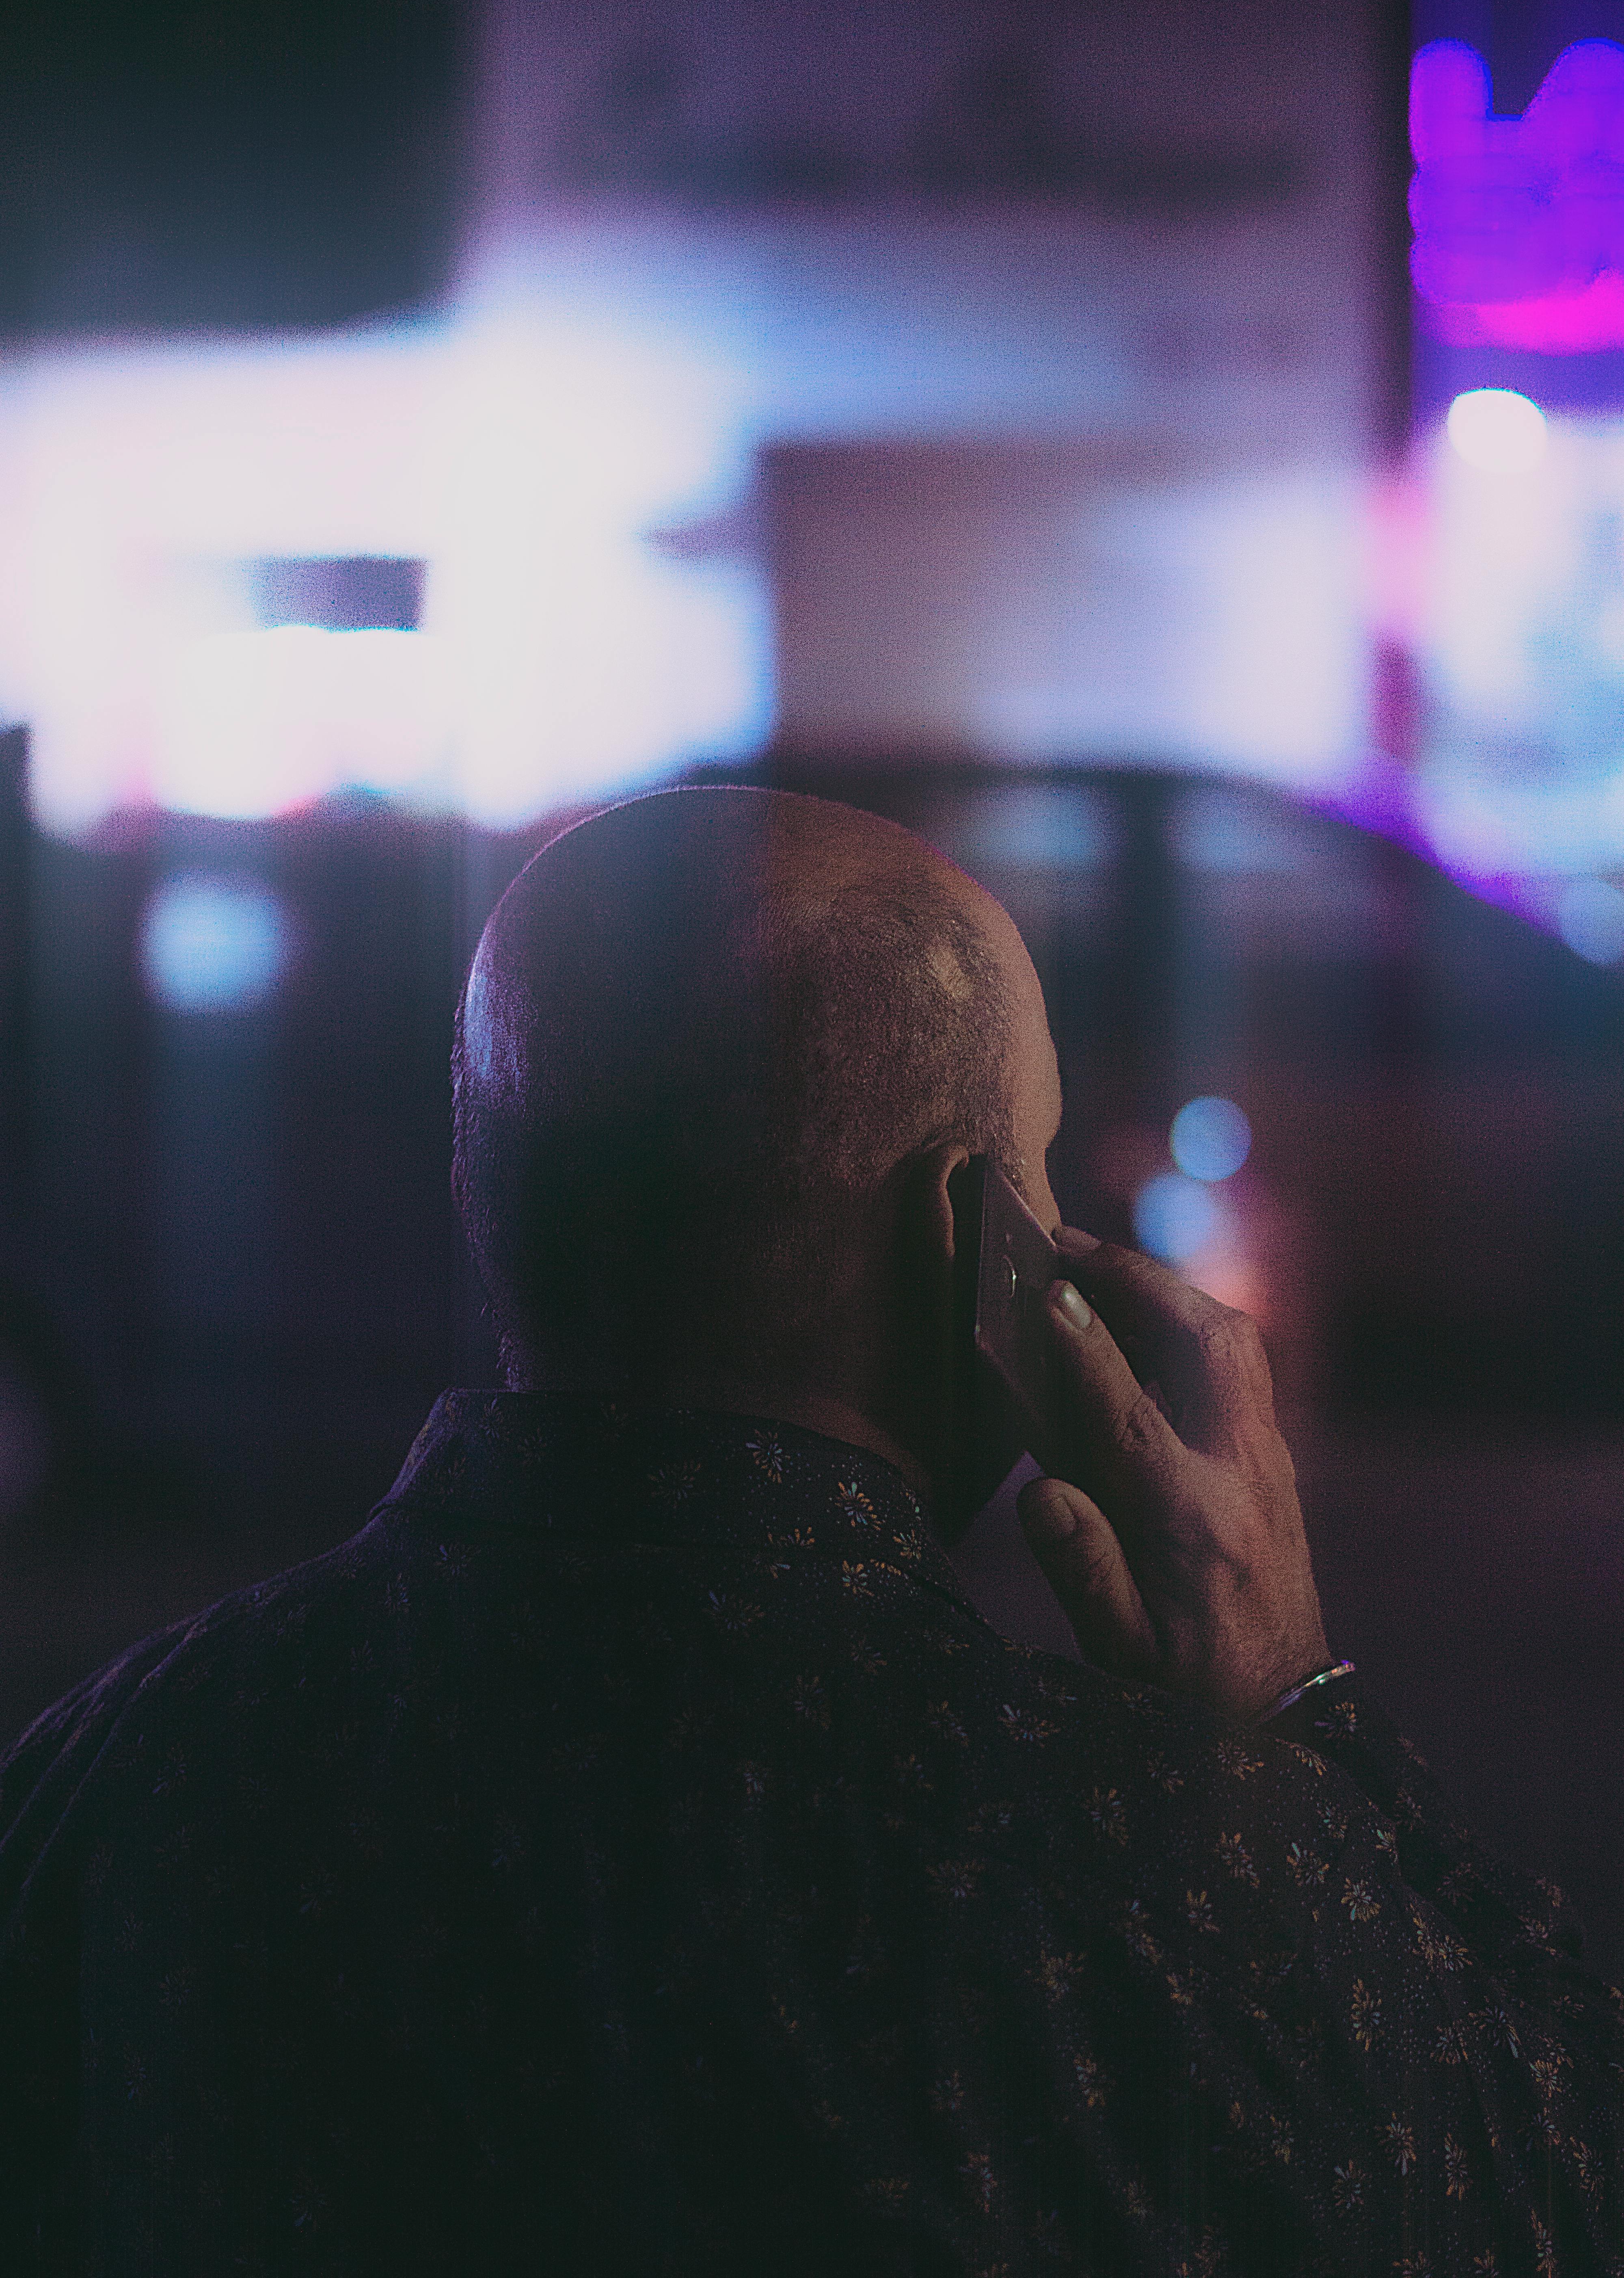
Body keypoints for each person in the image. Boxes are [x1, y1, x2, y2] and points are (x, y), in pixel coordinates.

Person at [0, 784, 1619, 2276]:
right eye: (1037, 1174)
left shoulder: (94, 1795)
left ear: (482, 1183)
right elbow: (1553, 2184)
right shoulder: (1153, 1877)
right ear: (966, 1240)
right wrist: (1297, 1709)